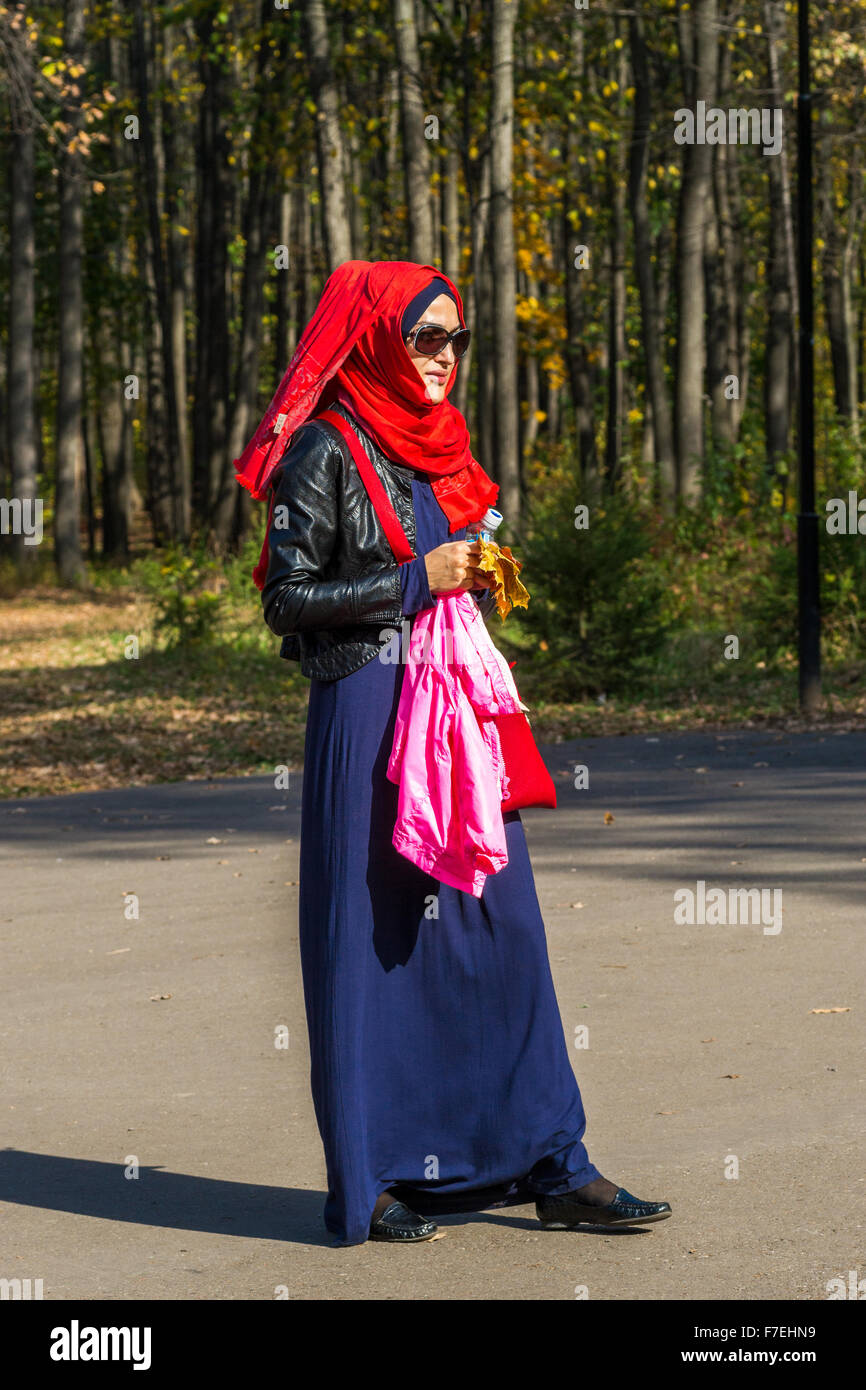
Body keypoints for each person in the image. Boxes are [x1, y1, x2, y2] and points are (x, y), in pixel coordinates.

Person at [238, 260, 672, 1245]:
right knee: (371, 943)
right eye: (426, 336)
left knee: (499, 927)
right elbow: (284, 600)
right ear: (378, 341)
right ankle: (374, 1181)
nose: (444, 356)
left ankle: (553, 1163)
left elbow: (446, 564)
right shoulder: (324, 447)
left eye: (456, 338)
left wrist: (477, 572)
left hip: (451, 716)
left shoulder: (440, 442)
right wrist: (411, 579)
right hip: (366, 709)